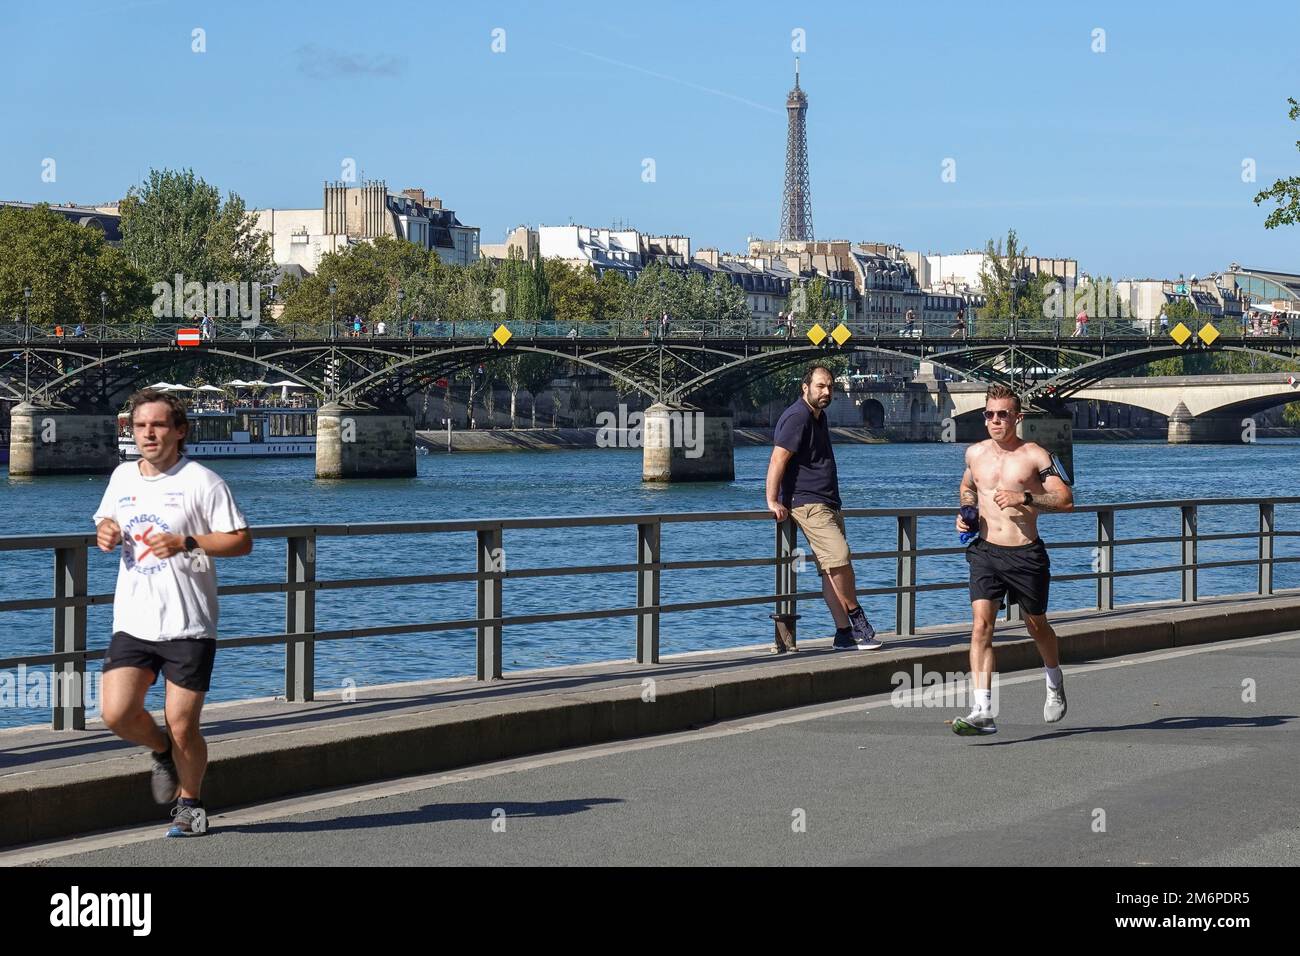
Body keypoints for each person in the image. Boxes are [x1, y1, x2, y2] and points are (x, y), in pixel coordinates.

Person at [94, 389, 253, 836]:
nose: (148, 433)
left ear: (179, 431)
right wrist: (105, 533)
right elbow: (106, 524)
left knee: (184, 725)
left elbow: (241, 540)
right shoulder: (122, 478)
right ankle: (162, 751)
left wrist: (188, 541)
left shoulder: (203, 481)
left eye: (159, 425)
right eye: (140, 425)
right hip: (133, 620)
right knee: (117, 714)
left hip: (189, 623)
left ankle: (191, 806)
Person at [951, 384, 1075, 735]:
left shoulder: (1036, 455)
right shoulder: (974, 453)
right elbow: (967, 487)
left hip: (1026, 554)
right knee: (980, 626)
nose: (994, 420)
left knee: (1035, 624)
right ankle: (983, 710)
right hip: (986, 551)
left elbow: (1066, 501)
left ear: (1017, 417)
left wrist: (1025, 497)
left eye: (1002, 414)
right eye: (989, 414)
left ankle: (1053, 680)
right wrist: (966, 510)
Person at [766, 364, 881, 651]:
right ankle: (857, 617)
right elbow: (778, 459)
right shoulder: (798, 416)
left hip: (827, 502)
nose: (826, 391)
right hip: (808, 504)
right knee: (840, 557)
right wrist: (771, 500)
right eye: (820, 386)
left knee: (831, 571)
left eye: (830, 386)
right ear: (805, 387)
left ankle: (843, 634)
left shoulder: (819, 416)